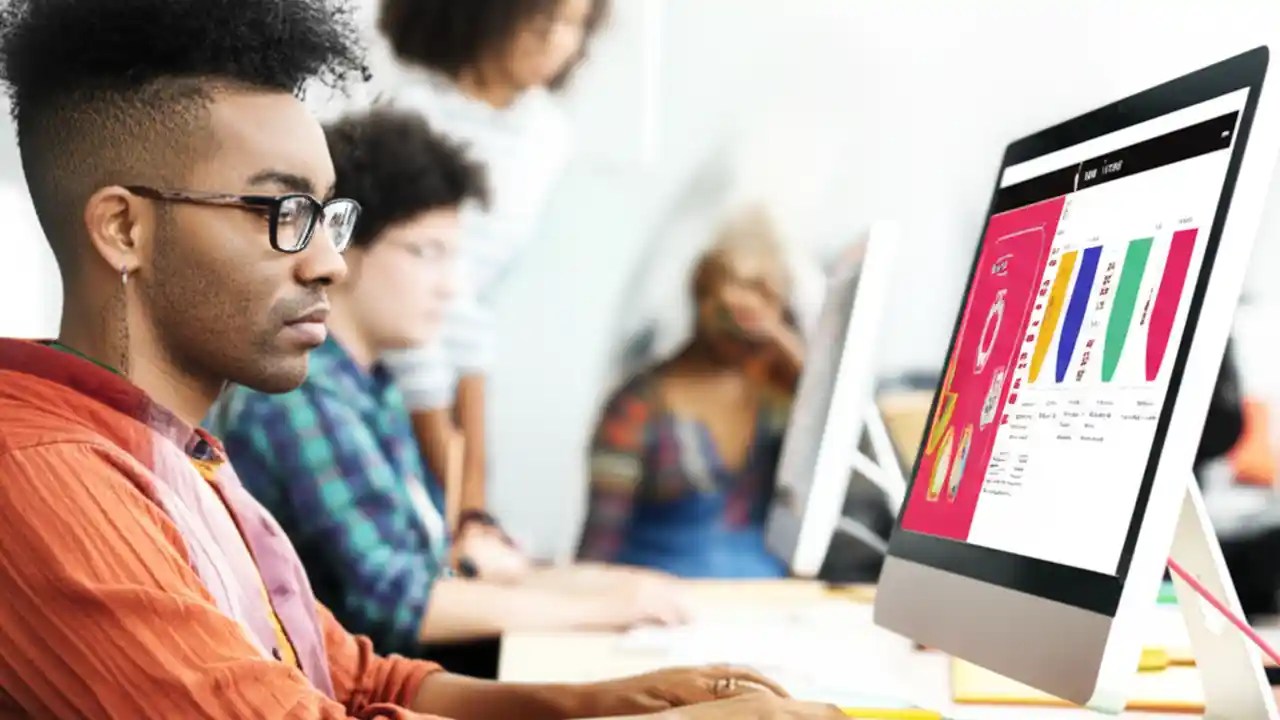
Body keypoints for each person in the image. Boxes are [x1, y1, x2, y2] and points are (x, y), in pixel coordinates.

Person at [0, 0, 844, 717]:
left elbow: (359, 676)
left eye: (327, 215)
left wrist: (611, 700)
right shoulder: (38, 475)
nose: (329, 261)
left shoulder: (174, 452)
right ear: (123, 230)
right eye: (281, 210)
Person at [208, 107, 688, 673]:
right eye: (426, 252)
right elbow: (399, 605)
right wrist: (601, 607)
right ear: (345, 245)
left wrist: (567, 581)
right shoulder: (301, 397)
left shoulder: (372, 387)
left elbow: (421, 564)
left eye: (454, 257)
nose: (450, 286)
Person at [372, 0, 610, 578]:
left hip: (456, 350)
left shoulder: (547, 134)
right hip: (390, 374)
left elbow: (469, 301)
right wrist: (462, 501)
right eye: (542, 21)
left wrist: (474, 501)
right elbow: (411, 304)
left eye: (574, 28)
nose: (557, 42)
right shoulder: (413, 114)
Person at [578, 208, 805, 578]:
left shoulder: (781, 403)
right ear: (702, 301)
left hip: (765, 599)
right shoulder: (637, 407)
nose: (747, 337)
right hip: (657, 596)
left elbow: (844, 431)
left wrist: (782, 340)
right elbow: (600, 544)